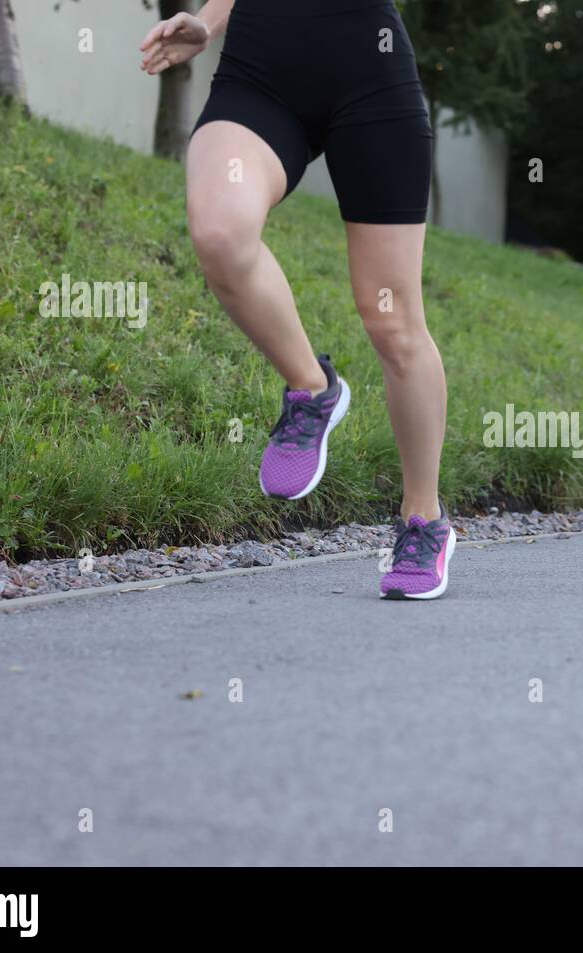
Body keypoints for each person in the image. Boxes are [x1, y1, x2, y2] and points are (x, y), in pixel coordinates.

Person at [140, 0, 455, 599]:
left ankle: (423, 519)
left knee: (391, 321)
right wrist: (207, 21)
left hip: (372, 76)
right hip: (261, 73)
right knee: (220, 232)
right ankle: (312, 390)